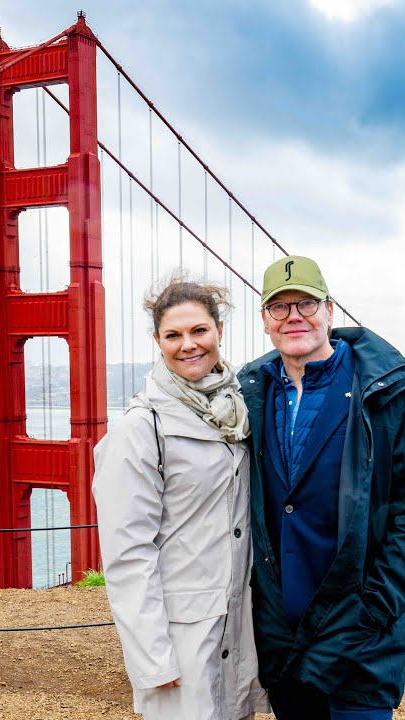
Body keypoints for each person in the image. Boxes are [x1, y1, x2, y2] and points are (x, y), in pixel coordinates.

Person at [239, 255, 405, 719]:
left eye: (307, 304)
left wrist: (373, 611)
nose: (294, 316)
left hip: (361, 642)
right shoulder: (248, 398)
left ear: (330, 311)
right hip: (282, 644)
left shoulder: (392, 395)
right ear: (265, 322)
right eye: (280, 307)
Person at [92, 274, 270, 720]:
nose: (188, 344)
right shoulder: (141, 427)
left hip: (237, 626)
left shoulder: (238, 408)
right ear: (157, 340)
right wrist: (152, 658)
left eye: (199, 331)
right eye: (173, 334)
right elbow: (127, 552)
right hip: (179, 635)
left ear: (219, 332)